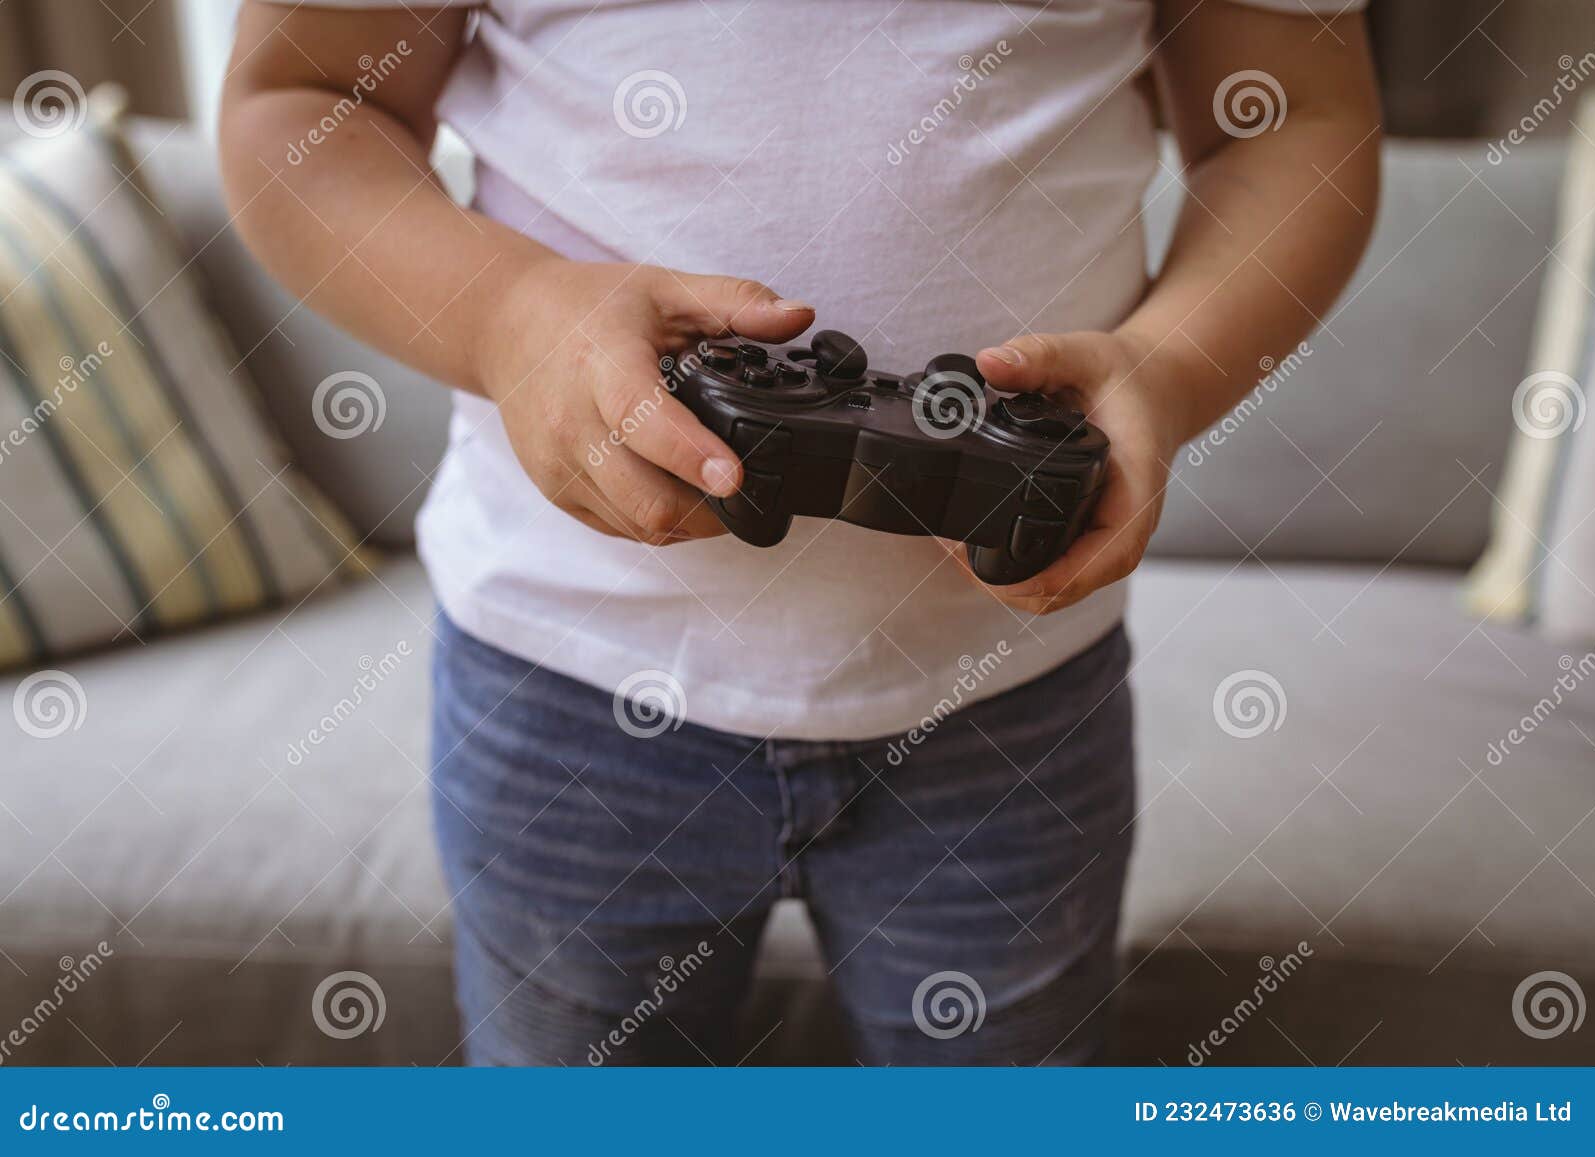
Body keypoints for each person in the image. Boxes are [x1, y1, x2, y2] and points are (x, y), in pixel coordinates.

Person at [220, 0, 1380, 1064]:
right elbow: (301, 103)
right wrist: (509, 315)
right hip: (566, 679)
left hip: (1006, 697)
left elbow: (1292, 122)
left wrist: (1168, 370)